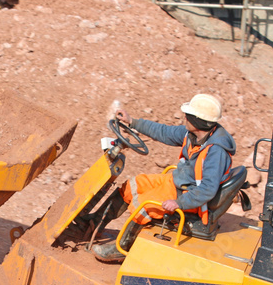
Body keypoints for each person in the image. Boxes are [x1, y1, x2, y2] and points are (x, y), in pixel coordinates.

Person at [92, 94, 236, 263]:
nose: (185, 117)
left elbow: (207, 189)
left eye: (188, 115)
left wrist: (179, 203)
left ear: (198, 122)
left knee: (143, 205)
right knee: (133, 185)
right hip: (177, 182)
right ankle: (94, 223)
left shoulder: (215, 151)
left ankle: (122, 247)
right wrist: (133, 122)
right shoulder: (192, 134)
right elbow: (163, 132)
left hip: (188, 196)